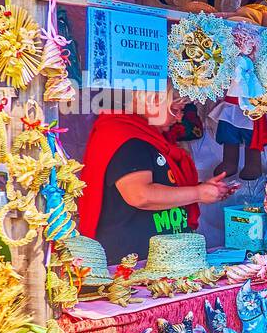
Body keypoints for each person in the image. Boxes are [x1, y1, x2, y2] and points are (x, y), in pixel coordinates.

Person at [80, 88, 237, 263]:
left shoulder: (148, 137)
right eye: (175, 110)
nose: (178, 118)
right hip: (131, 262)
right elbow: (140, 195)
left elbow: (160, 184)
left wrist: (203, 189)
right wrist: (198, 193)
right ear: (154, 100)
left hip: (162, 260)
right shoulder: (125, 136)